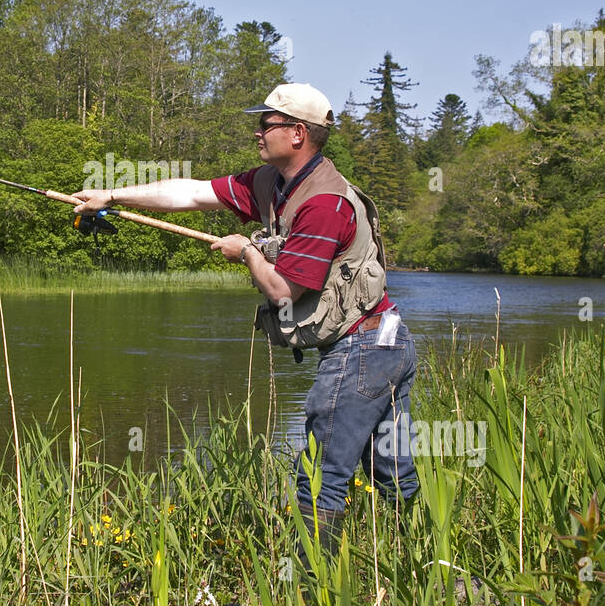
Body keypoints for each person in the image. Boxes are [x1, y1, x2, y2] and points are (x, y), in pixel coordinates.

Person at [72, 82, 419, 548]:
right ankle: (412, 564)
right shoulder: (270, 183)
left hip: (366, 349)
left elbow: (285, 290)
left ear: (298, 134)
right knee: (390, 469)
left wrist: (248, 254)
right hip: (382, 340)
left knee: (322, 474)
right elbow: (190, 193)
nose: (258, 132)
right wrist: (111, 196)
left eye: (266, 124)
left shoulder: (324, 204)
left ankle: (307, 586)